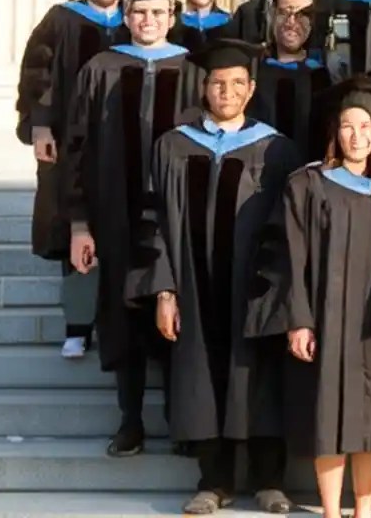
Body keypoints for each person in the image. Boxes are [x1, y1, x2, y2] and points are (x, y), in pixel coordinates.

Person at [136, 39, 302, 514]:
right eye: (216, 83)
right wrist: (164, 288)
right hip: (194, 285)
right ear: (204, 88)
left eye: (235, 84)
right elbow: (154, 220)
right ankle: (214, 480)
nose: (225, 91)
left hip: (257, 291)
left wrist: (276, 288)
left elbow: (289, 227)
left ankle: (271, 480)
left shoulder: (276, 149)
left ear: (250, 90)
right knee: (203, 381)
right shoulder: (171, 146)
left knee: (262, 378)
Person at [247, 76, 371, 518]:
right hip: (326, 317)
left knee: (370, 420)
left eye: (366, 127)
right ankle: (332, 511)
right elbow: (287, 257)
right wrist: (299, 319)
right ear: (334, 133)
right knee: (327, 415)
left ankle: (363, 510)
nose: (358, 136)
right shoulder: (306, 185)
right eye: (348, 127)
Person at [64, 0, 192, 457]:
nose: (148, 19)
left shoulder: (193, 69)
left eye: (157, 11)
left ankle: (180, 422)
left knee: (174, 308)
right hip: (114, 217)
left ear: (171, 15)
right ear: (125, 14)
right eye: (138, 11)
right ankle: (131, 420)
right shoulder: (101, 68)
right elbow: (76, 151)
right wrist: (79, 224)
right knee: (122, 315)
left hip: (174, 220)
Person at [19, 0, 141, 359]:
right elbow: (37, 72)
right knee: (74, 230)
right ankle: (77, 325)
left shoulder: (137, 22)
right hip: (71, 147)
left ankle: (116, 321)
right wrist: (39, 127)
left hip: (125, 148)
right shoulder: (62, 19)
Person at [246, 0, 333, 161]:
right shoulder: (252, 70)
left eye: (303, 14)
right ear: (272, 15)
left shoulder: (321, 77)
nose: (292, 22)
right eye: (285, 12)